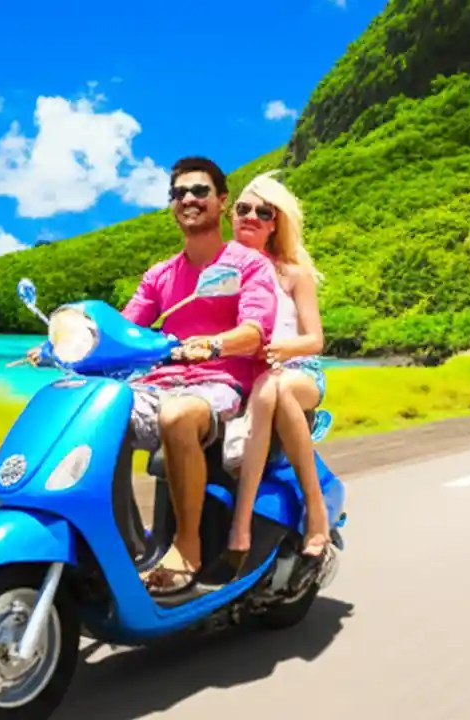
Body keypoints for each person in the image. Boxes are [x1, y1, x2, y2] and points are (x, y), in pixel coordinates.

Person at [24, 156, 279, 593]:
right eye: (178, 194)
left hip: (217, 384)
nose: (188, 200)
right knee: (94, 412)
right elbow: (123, 330)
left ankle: (188, 546)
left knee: (177, 415)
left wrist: (212, 343)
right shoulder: (160, 275)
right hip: (157, 382)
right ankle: (118, 547)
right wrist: (63, 344)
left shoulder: (248, 265)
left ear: (221, 201)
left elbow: (255, 332)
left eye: (199, 191)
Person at [223, 170, 330, 572]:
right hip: (246, 376)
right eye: (243, 208)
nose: (251, 216)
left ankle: (283, 516)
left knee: (277, 388)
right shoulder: (218, 270)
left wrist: (283, 349)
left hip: (298, 370)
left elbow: (314, 339)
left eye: (263, 211)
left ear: (275, 223)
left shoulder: (292, 273)